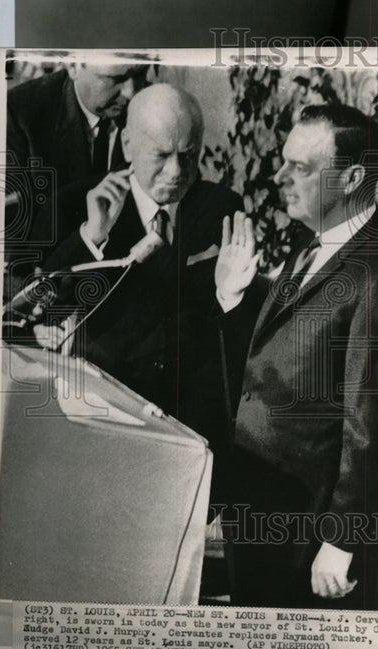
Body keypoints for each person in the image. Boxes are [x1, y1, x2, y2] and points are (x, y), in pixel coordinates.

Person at [215, 105, 378, 610]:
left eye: (300, 167)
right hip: (261, 507)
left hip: (308, 532)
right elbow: (275, 367)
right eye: (283, 162)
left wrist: (340, 541)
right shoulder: (310, 248)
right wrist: (234, 301)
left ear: (352, 178)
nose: (279, 177)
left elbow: (375, 421)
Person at [30, 83, 242, 453]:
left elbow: (227, 319)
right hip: (108, 412)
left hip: (190, 420)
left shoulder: (221, 206)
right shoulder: (78, 203)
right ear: (128, 145)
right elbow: (46, 308)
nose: (176, 172)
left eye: (189, 155)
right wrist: (91, 237)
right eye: (161, 155)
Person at [5, 58, 145, 259]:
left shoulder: (150, 105)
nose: (131, 92)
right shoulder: (19, 114)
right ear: (73, 66)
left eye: (139, 74)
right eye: (116, 78)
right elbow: (13, 250)